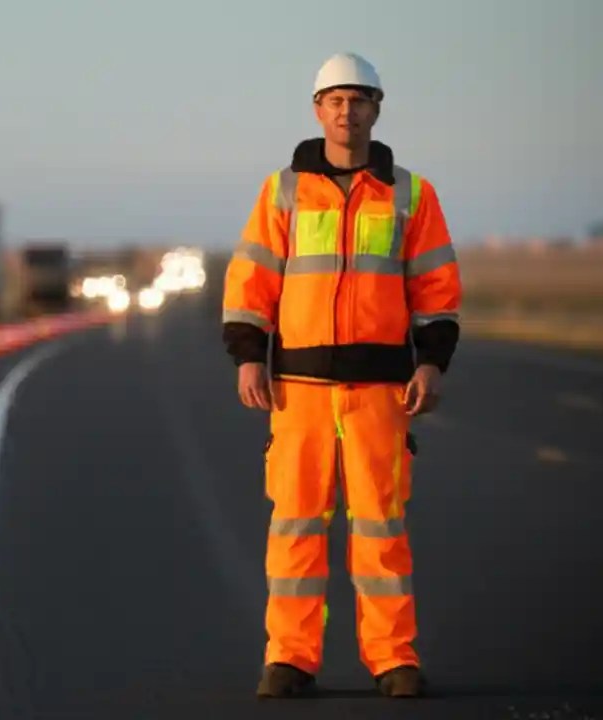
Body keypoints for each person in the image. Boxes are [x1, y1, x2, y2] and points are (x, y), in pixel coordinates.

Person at [220, 52, 462, 699]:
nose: (346, 111)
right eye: (335, 100)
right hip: (298, 391)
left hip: (381, 390)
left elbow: (436, 289)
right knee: (295, 528)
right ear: (317, 109)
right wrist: (248, 352)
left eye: (359, 100)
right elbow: (251, 281)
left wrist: (432, 362)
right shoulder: (283, 190)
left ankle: (393, 660)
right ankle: (290, 660)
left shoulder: (412, 193)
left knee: (380, 530)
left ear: (377, 108)